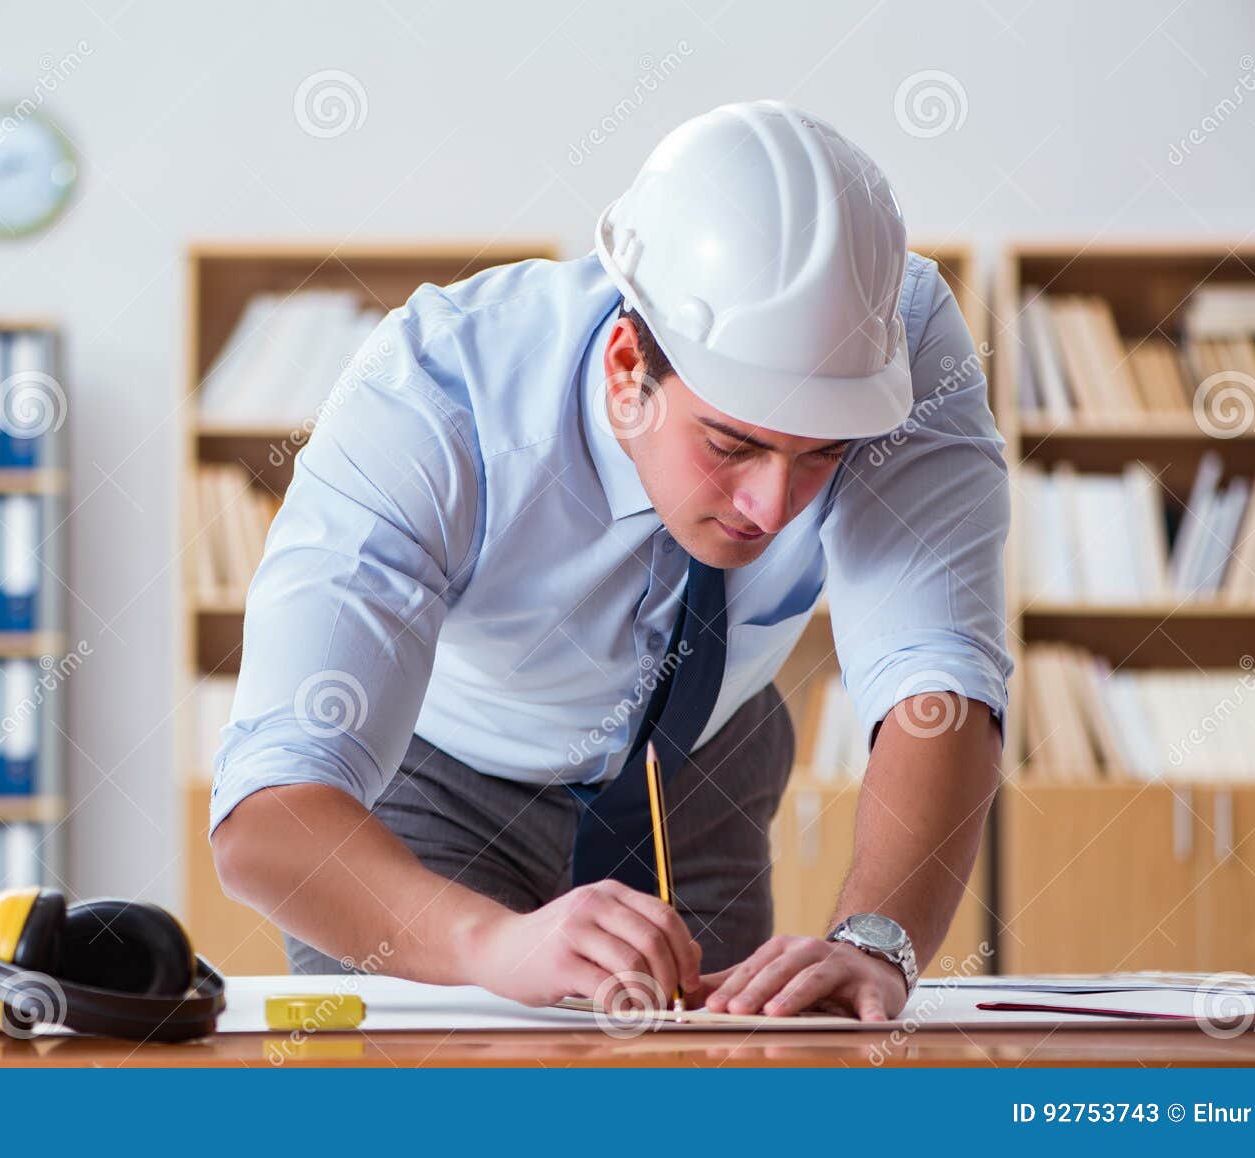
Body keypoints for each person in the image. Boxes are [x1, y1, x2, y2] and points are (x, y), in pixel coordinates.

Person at [207, 100, 1009, 1021]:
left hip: (703, 761)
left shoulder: (889, 347)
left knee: (712, 1089)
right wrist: (494, 944)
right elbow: (267, 814)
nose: (774, 508)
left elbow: (937, 679)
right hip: (442, 774)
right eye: (733, 443)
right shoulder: (427, 400)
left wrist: (877, 941)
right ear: (629, 366)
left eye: (822, 454)